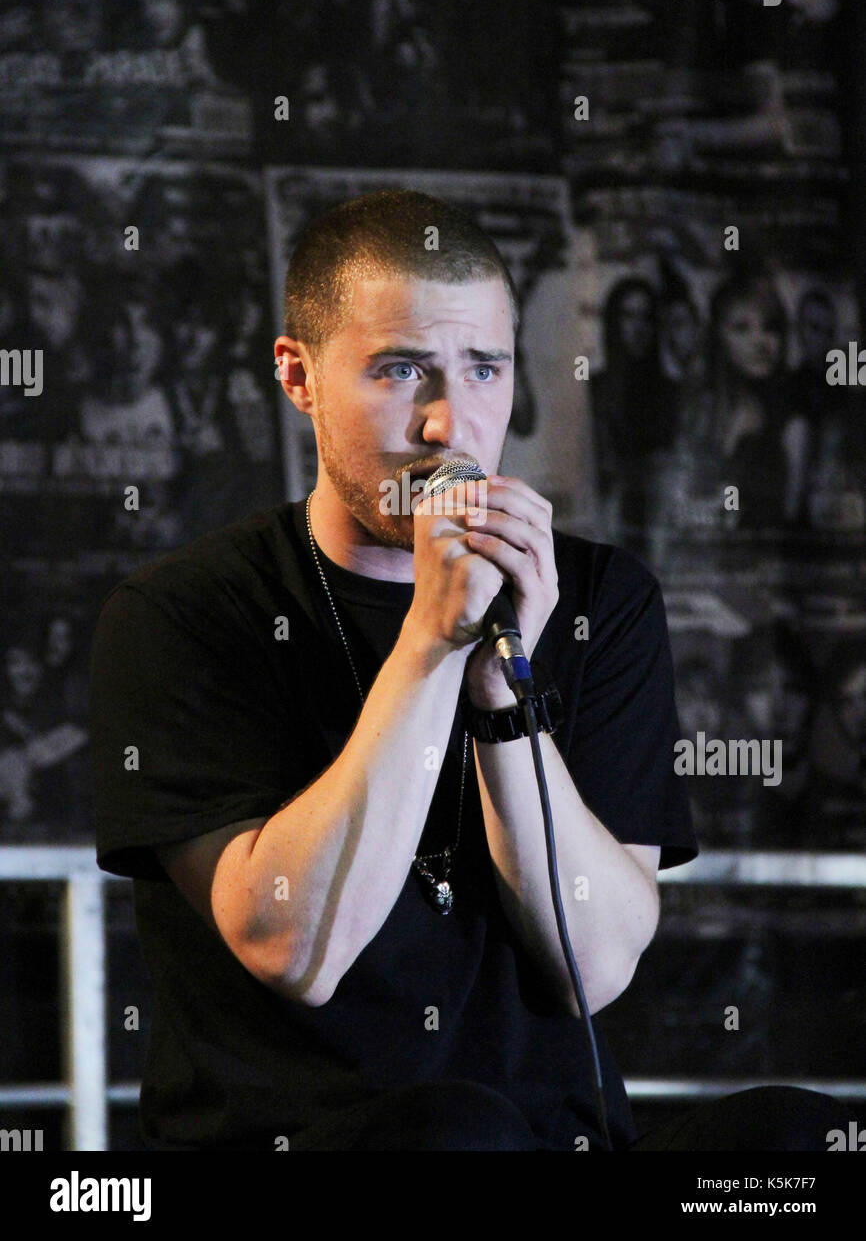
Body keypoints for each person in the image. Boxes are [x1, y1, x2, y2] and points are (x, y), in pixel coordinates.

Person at [89, 189, 846, 1150]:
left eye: (483, 368)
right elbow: (292, 949)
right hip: (329, 1143)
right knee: (456, 1135)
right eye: (402, 370)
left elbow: (598, 966)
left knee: (798, 1143)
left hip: (554, 1139)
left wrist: (501, 693)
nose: (449, 425)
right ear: (299, 375)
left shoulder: (601, 599)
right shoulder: (186, 612)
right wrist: (430, 642)